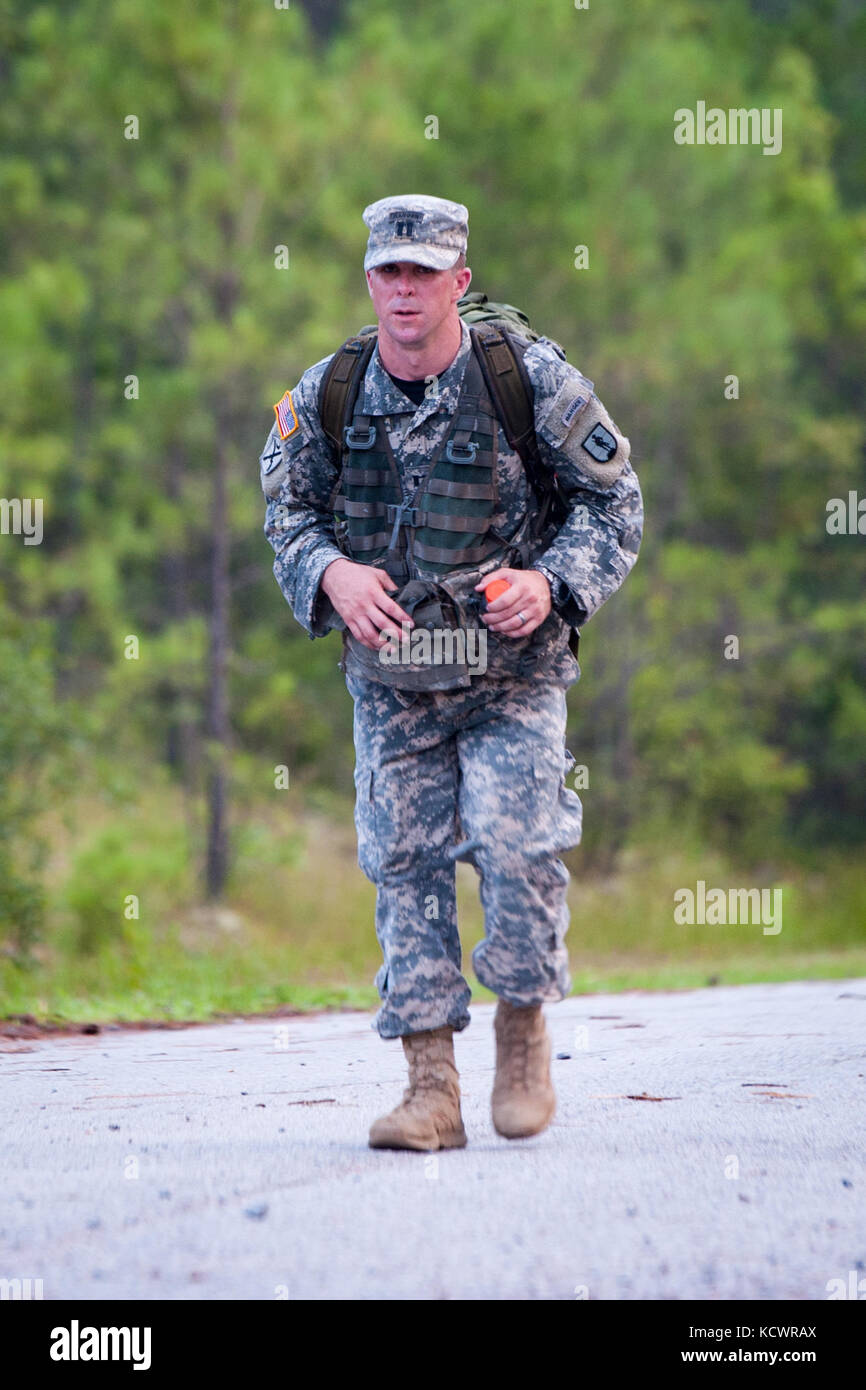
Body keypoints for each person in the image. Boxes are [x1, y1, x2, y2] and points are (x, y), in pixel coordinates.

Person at [260, 194, 643, 1151]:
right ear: (369, 279)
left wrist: (551, 583)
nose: (404, 289)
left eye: (424, 273)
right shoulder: (328, 394)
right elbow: (287, 514)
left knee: (518, 850)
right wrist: (330, 574)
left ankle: (522, 1035)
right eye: (389, 271)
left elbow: (617, 504)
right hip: (393, 683)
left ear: (457, 284)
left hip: (511, 672)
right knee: (404, 867)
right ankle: (430, 1087)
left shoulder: (529, 381)